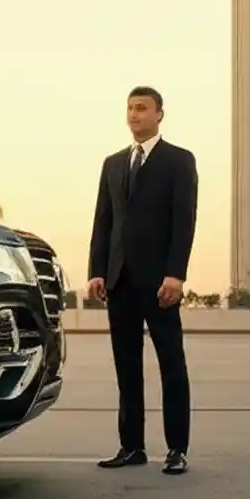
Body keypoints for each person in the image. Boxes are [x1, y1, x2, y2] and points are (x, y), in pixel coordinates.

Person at [86, 85, 197, 475]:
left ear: (159, 114)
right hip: (119, 282)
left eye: (142, 108)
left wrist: (176, 274)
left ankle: (177, 449)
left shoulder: (178, 161)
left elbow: (184, 221)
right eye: (130, 108)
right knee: (127, 367)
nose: (134, 115)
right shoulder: (113, 163)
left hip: (160, 284)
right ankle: (131, 446)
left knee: (171, 365)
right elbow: (104, 221)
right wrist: (97, 271)